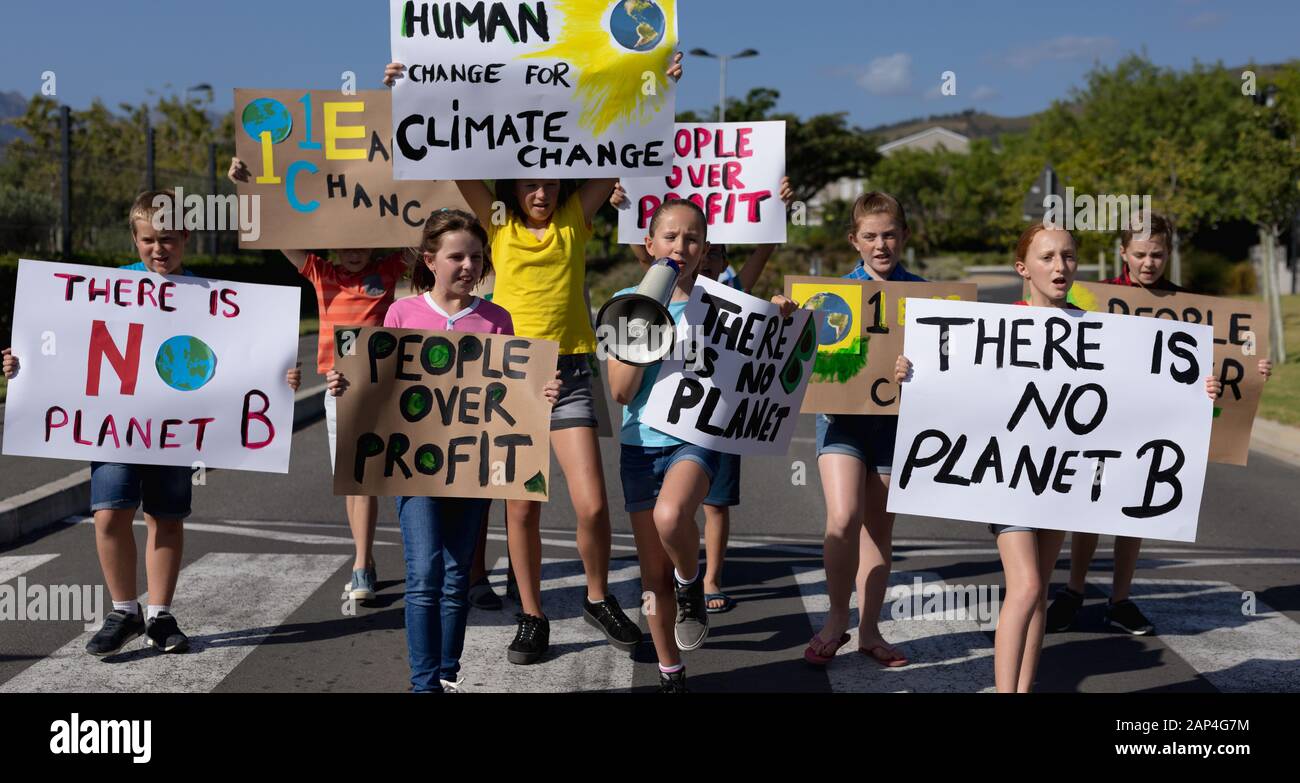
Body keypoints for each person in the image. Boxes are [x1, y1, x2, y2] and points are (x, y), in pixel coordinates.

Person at [382, 51, 683, 665]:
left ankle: (598, 598)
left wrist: (654, 91)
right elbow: (455, 148)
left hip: (570, 369)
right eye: (529, 181)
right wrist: (412, 88)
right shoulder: (494, 221)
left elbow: (626, 148)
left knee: (594, 503)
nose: (540, 190)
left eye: (549, 180)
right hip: (508, 373)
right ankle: (533, 613)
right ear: (511, 186)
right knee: (520, 506)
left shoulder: (576, 215)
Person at [2, 190, 301, 656]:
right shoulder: (109, 287)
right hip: (115, 427)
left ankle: (160, 614)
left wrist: (279, 376)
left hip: (175, 432)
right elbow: (62, 342)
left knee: (166, 517)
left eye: (167, 239)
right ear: (135, 239)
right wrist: (22, 364)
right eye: (148, 240)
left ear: (185, 236)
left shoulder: (209, 298)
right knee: (108, 514)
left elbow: (241, 357)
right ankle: (125, 609)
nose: (158, 248)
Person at [327, 209, 561, 692]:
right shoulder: (401, 314)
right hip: (414, 469)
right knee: (424, 573)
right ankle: (422, 684)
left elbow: (508, 395)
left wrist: (542, 392)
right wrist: (344, 382)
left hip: (470, 469)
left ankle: (447, 673)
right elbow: (379, 385)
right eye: (457, 256)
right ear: (430, 260)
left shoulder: (497, 319)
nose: (468, 266)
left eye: (476, 257)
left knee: (457, 576)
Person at [1045, 213, 1272, 635]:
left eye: (1157, 254)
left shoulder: (1187, 305)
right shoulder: (1093, 297)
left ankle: (1120, 600)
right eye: (1140, 254)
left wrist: (1251, 369)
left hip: (1151, 427)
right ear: (1123, 253)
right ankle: (1073, 592)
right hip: (1098, 419)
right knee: (1088, 510)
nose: (1149, 263)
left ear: (1168, 254)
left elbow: (1219, 362)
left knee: (1135, 511)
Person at [610, 176, 795, 613]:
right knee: (652, 581)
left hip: (696, 436)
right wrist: (645, 327)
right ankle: (669, 668)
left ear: (706, 248)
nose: (681, 246)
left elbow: (765, 349)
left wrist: (781, 316)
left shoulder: (724, 301)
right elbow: (621, 392)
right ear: (649, 244)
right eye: (670, 236)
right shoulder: (627, 301)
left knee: (673, 516)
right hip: (641, 441)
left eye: (693, 239)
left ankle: (694, 579)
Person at [228, 157, 407, 603]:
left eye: (361, 237)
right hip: (337, 388)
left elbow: (422, 227)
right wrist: (248, 190)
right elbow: (277, 232)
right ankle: (362, 560)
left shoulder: (386, 272)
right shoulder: (320, 273)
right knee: (352, 479)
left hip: (382, 385)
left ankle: (365, 565)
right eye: (343, 238)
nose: (352, 248)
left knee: (370, 477)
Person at [803, 191, 925, 668]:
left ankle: (870, 631)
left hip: (895, 429)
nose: (881, 245)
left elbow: (948, 366)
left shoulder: (925, 297)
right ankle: (836, 620)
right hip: (842, 425)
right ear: (854, 240)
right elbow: (800, 355)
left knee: (878, 532)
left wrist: (915, 369)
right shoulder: (829, 296)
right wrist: (786, 315)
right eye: (870, 236)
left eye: (890, 235)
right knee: (842, 518)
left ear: (905, 237)